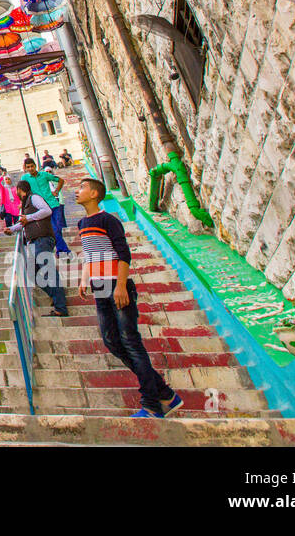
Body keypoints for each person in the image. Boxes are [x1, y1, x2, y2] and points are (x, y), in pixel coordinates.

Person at [76, 179, 182, 418]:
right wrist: (84, 279)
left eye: (81, 187)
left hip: (116, 284)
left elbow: (123, 253)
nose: (77, 191)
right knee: (112, 341)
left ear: (94, 194)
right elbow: (90, 255)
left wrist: (121, 285)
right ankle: (164, 392)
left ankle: (152, 404)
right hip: (100, 288)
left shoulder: (108, 220)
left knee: (131, 342)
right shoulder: (82, 223)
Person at [10, 179, 67, 316]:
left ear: (20, 190)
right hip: (33, 241)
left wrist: (28, 217)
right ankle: (56, 295)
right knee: (32, 273)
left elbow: (47, 211)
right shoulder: (25, 205)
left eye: (17, 191)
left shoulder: (34, 198)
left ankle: (60, 307)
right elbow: (24, 222)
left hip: (42, 239)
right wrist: (11, 229)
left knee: (48, 271)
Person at [23, 160, 69, 255]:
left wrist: (56, 190)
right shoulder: (25, 178)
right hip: (42, 208)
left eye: (32, 166)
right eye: (28, 167)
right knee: (54, 229)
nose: (30, 168)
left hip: (53, 204)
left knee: (58, 228)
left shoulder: (44, 175)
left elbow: (60, 180)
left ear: (35, 166)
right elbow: (22, 191)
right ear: (25, 168)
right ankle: (64, 250)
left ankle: (59, 249)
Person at [0, 167, 20, 232]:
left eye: (8, 179)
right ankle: (9, 233)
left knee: (17, 222)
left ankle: (17, 235)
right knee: (8, 222)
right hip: (7, 208)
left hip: (16, 207)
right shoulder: (3, 188)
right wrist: (2, 176)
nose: (7, 180)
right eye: (6, 179)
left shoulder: (15, 188)